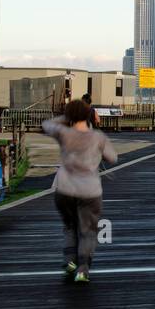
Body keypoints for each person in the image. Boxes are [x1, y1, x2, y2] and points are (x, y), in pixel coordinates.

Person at [43, 99, 117, 283]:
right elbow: (112, 158)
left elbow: (46, 124)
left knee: (69, 226)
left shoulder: (63, 133)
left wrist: (66, 118)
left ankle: (69, 261)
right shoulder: (98, 137)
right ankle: (83, 270)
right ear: (89, 115)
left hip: (65, 189)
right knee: (88, 231)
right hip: (90, 191)